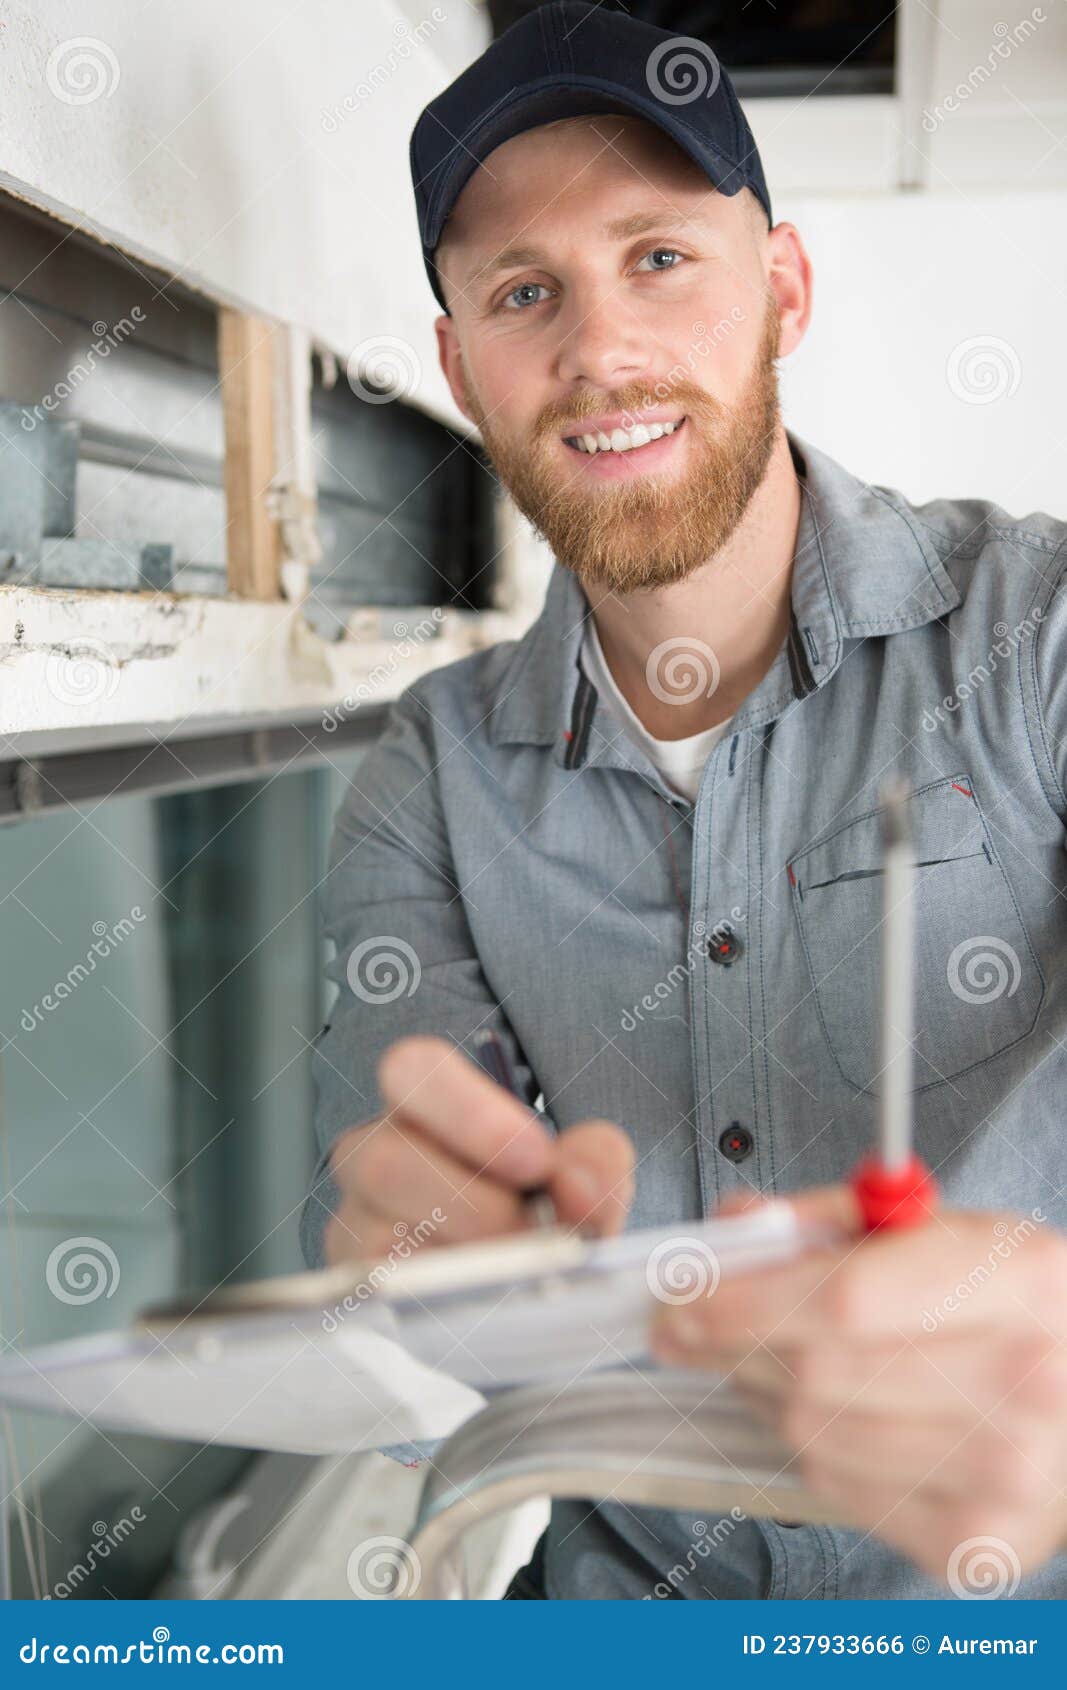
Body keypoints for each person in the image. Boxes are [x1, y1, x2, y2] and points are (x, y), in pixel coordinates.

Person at [301, 1, 1067, 1599]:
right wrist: (411, 1271)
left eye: (660, 257)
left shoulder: (1041, 637)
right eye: (526, 293)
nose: (599, 353)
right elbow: (395, 1306)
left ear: (780, 286)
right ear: (458, 365)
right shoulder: (426, 783)